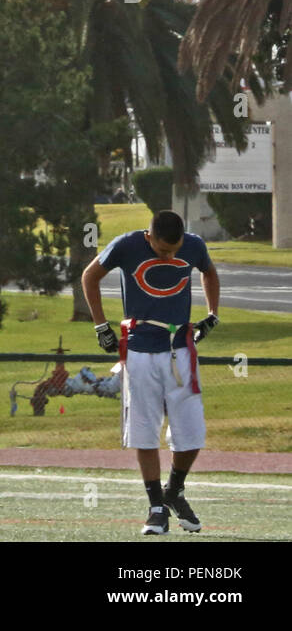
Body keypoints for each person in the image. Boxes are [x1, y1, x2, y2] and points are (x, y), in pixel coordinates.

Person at [82, 209, 220, 535]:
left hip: (180, 350)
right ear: (149, 237)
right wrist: (101, 325)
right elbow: (90, 276)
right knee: (144, 430)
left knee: (192, 432)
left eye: (175, 250)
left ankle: (175, 489)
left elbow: (209, 272)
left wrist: (213, 314)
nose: (170, 256)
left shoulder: (194, 245)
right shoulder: (127, 245)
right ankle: (156, 505)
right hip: (141, 350)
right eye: (162, 251)